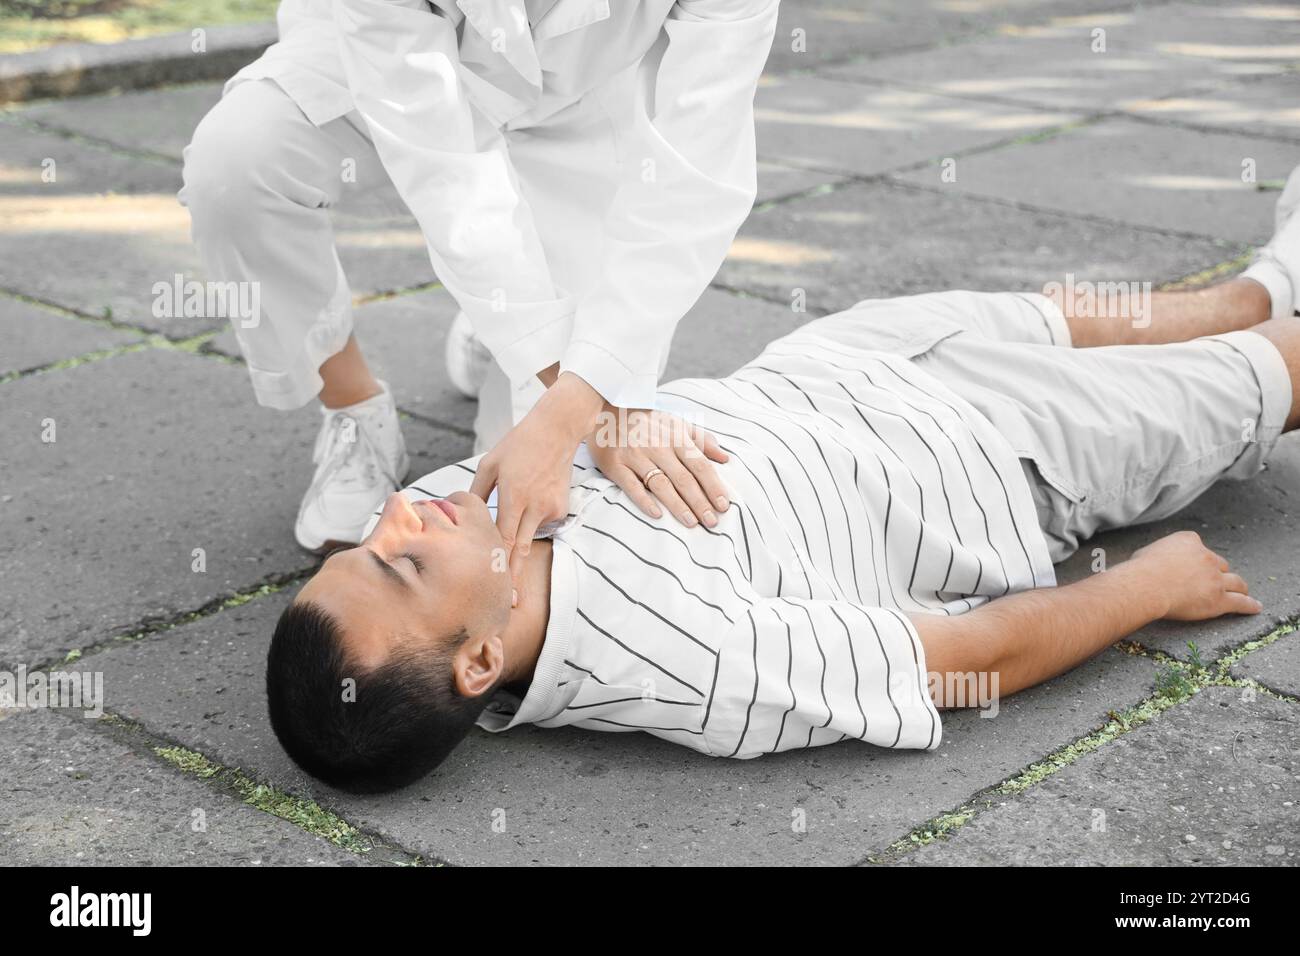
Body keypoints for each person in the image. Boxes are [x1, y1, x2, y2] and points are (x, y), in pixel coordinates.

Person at [264, 168, 1300, 794]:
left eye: (371, 539)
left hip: (845, 359)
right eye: (400, 564)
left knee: (1217, 309)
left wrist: (583, 408)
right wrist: (1149, 587)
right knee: (1270, 375)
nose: (399, 509)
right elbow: (962, 656)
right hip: (1012, 452)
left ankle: (1267, 282)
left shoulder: (470, 511)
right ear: (482, 658)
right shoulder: (694, 662)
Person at [178, 0, 780, 572]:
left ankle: (495, 335)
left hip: (588, 101)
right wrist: (586, 406)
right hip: (370, 68)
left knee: (526, 514)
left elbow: (695, 175)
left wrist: (584, 398)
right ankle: (356, 413)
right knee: (237, 165)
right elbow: (447, 170)